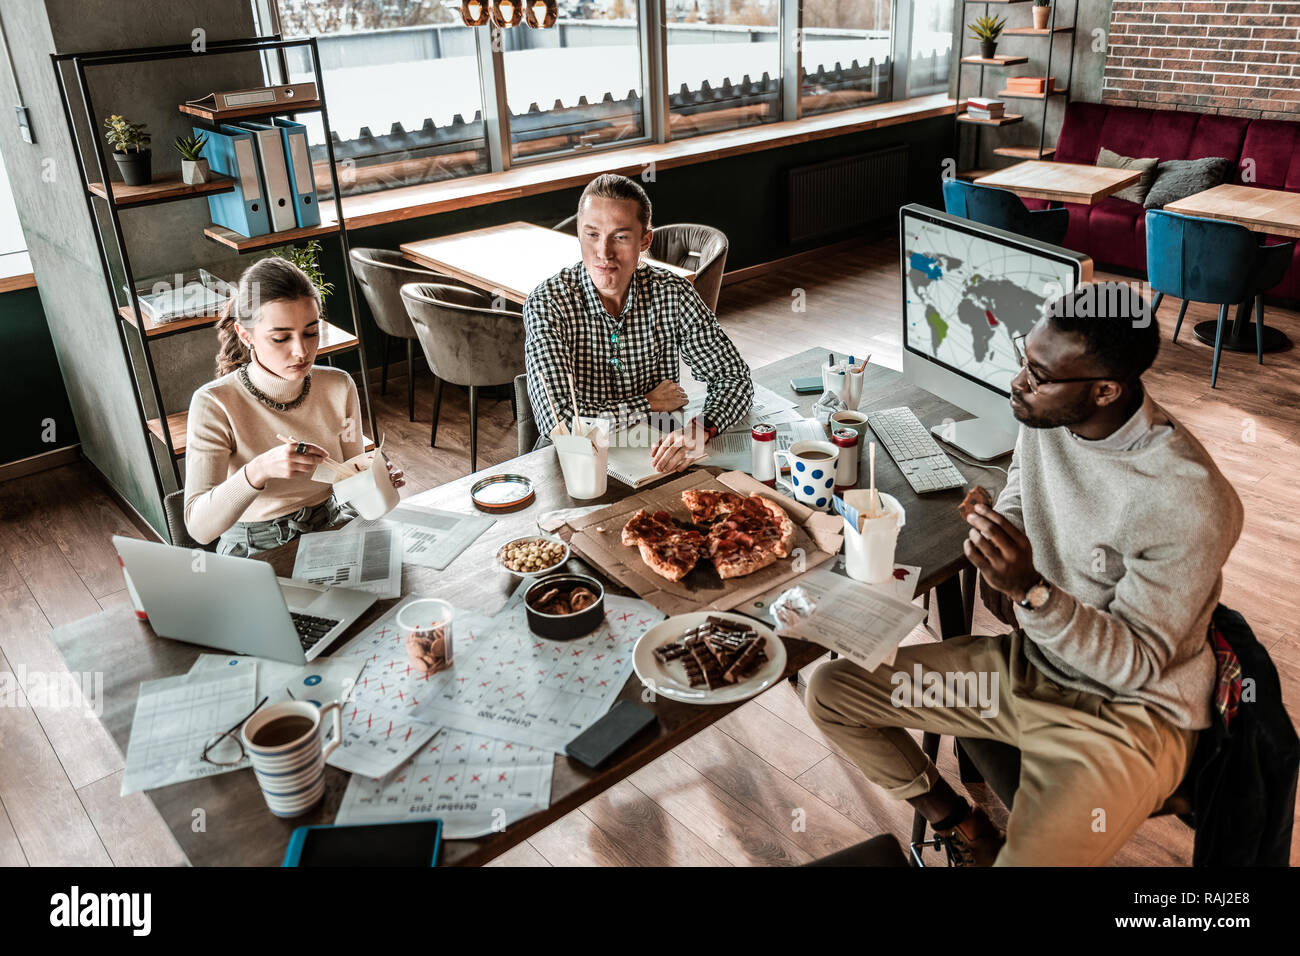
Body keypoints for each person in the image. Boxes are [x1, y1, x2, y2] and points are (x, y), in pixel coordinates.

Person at [805, 282, 1243, 865]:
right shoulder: (1052, 416)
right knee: (832, 690)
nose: (1018, 383)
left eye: (1038, 375)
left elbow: (1135, 662)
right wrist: (1000, 525)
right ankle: (962, 825)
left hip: (1130, 717)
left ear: (1107, 389)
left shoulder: (1187, 500)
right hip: (1029, 669)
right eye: (1023, 360)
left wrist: (1030, 590)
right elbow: (1024, 488)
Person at [524, 173, 753, 473]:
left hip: (658, 452)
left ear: (645, 240)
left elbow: (734, 377)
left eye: (619, 236)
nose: (603, 253)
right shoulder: (547, 302)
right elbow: (561, 423)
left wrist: (700, 429)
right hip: (577, 460)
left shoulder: (672, 293)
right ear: (579, 233)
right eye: (592, 234)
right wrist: (647, 403)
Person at [184, 256, 404, 555]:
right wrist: (258, 470)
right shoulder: (214, 403)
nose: (301, 351)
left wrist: (375, 482)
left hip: (333, 524)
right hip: (255, 546)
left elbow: (349, 484)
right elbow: (199, 528)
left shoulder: (339, 386)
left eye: (311, 332)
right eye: (280, 338)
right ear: (245, 335)